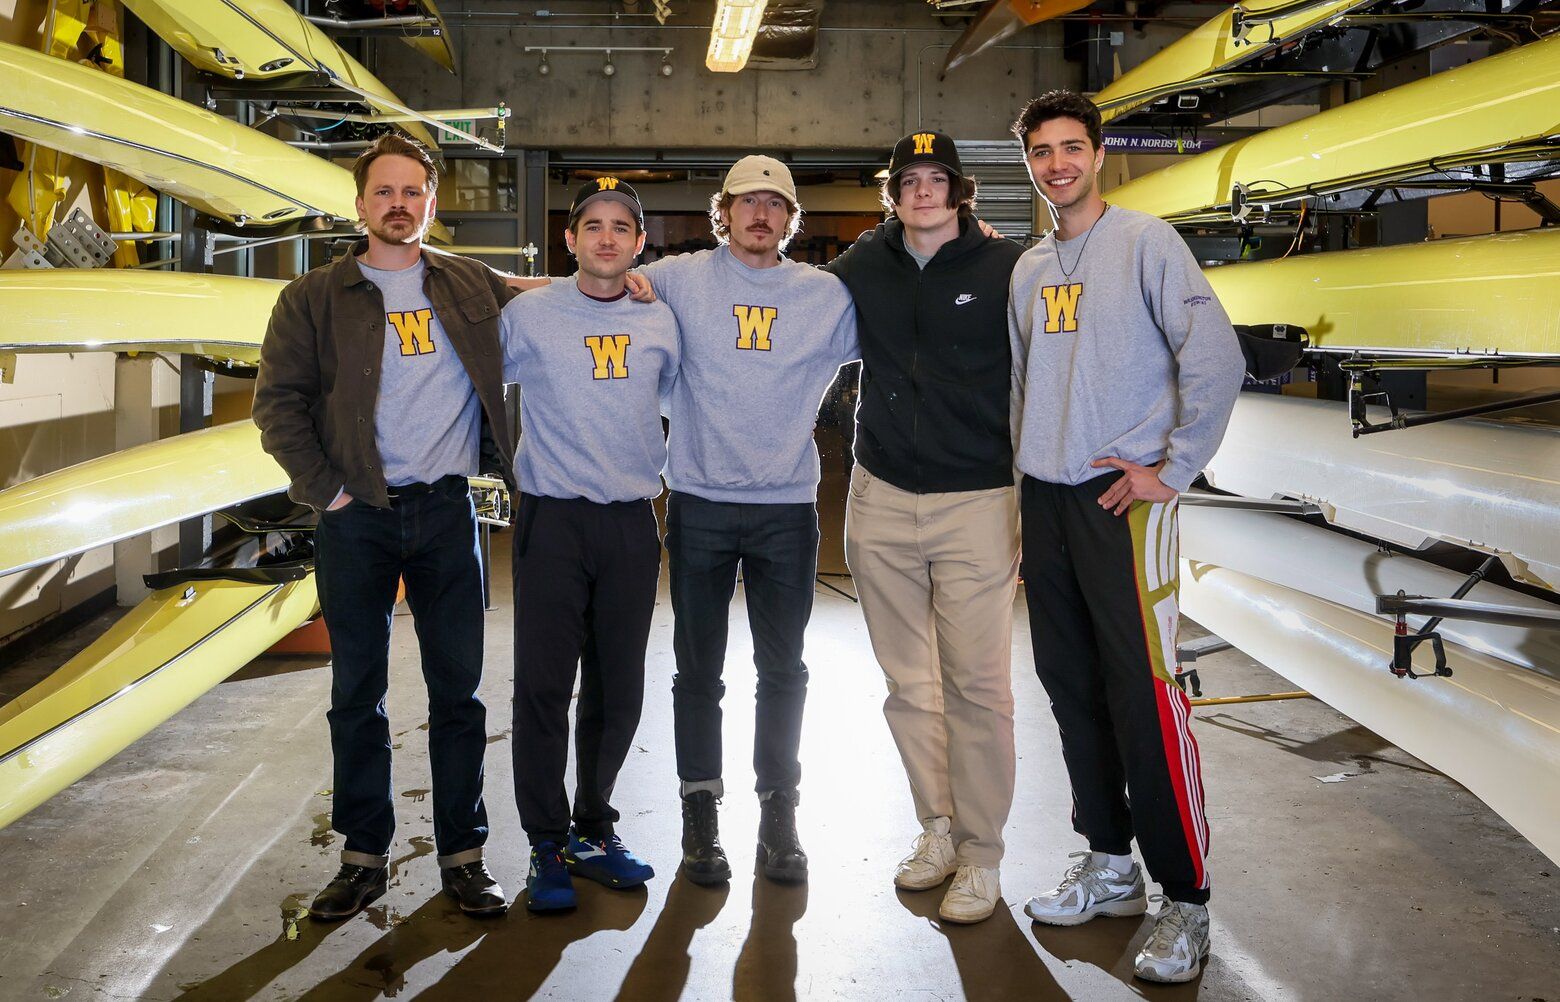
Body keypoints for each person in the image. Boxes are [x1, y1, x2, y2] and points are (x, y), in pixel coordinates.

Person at [1007, 90, 1244, 983]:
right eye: (1041, 151)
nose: (1057, 163)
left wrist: (1172, 469)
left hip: (1123, 503)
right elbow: (1028, 389)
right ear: (1028, 161)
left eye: (1072, 147)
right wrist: (1028, 494)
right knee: (1070, 687)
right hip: (1050, 501)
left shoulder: (1146, 243)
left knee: (1144, 694)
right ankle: (1110, 863)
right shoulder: (1030, 267)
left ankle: (1186, 902)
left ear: (1098, 154)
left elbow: (1215, 357)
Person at [254, 133, 514, 920]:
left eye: (413, 193)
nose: (399, 205)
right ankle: (363, 855)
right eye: (385, 192)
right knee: (355, 692)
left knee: (459, 691)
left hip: (449, 510)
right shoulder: (312, 297)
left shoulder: (469, 283)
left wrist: (629, 281)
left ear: (431, 204)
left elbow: (546, 290)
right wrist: (328, 494)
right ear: (361, 204)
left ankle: (463, 854)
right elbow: (279, 406)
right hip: (356, 514)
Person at [636, 156, 859, 886]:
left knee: (783, 670)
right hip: (699, 503)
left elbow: (910, 309)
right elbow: (592, 286)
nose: (760, 215)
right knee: (696, 672)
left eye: (775, 204)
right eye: (746, 203)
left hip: (786, 511)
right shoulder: (677, 277)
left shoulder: (825, 295)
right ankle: (700, 815)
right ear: (722, 212)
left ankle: (778, 814)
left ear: (791, 220)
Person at [824, 131, 1024, 924]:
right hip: (880, 495)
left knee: (979, 686)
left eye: (938, 179)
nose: (923, 192)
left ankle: (982, 854)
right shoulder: (861, 266)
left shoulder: (1009, 269)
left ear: (961, 190)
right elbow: (778, 304)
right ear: (893, 193)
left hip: (976, 499)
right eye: (909, 181)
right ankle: (937, 829)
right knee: (910, 685)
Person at [499, 177, 678, 913]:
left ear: (639, 244)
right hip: (554, 519)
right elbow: (475, 382)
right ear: (569, 240)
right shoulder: (531, 317)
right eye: (592, 226)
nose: (607, 238)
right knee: (543, 687)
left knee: (617, 686)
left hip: (632, 521)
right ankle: (544, 840)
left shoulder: (662, 320)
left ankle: (591, 827)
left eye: (621, 227)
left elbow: (683, 400)